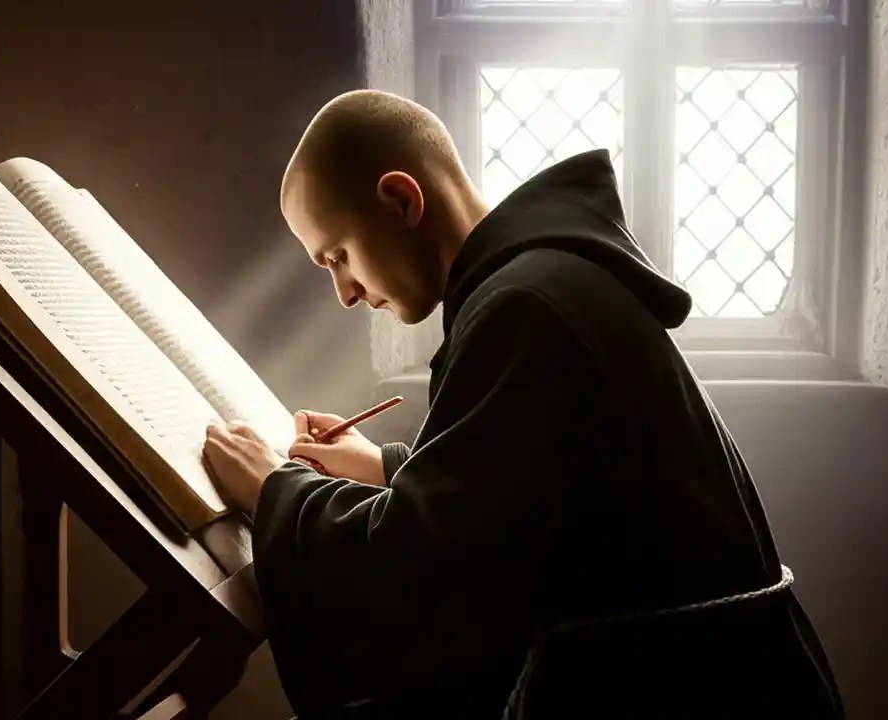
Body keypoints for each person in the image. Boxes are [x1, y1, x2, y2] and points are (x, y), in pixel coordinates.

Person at [201, 89, 845, 719]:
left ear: (400, 200)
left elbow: (422, 575)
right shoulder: (541, 281)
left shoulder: (522, 306)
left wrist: (274, 490)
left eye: (338, 256)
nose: (343, 292)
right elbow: (544, 489)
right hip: (711, 676)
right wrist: (389, 468)